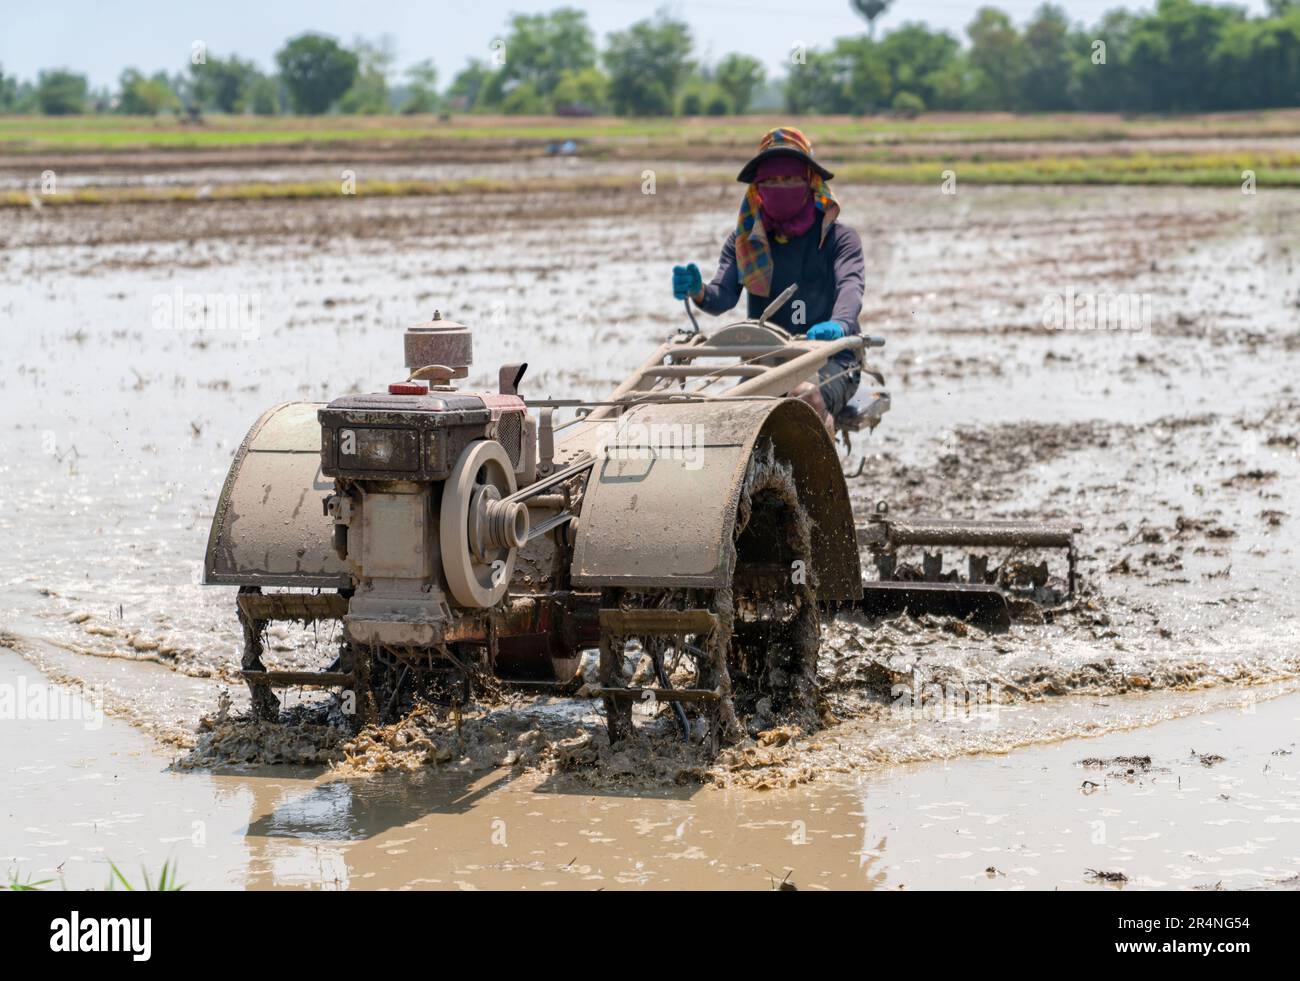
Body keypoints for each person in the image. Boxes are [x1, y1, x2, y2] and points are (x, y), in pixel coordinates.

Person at [672, 127, 865, 432]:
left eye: (790, 179)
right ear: (758, 188)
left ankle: (822, 477)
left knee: (804, 399)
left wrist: (839, 324)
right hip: (766, 360)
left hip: (831, 358)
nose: (781, 186)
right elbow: (722, 296)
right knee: (727, 418)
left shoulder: (838, 238)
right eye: (771, 181)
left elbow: (850, 286)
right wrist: (698, 291)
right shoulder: (746, 241)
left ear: (810, 182)